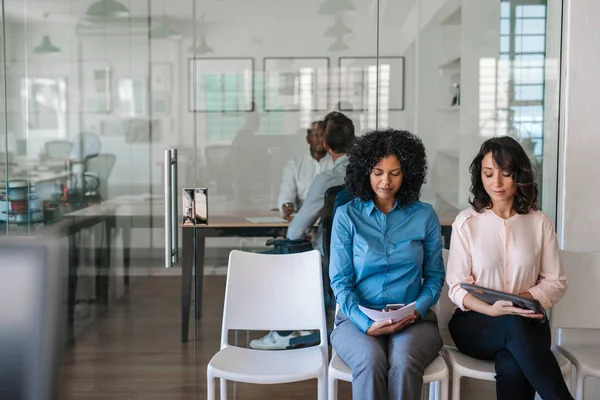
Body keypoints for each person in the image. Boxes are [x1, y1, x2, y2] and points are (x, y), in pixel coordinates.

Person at [446, 136, 573, 400]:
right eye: (488, 174)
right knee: (514, 327)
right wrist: (491, 309)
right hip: (476, 324)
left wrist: (520, 302)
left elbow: (556, 281)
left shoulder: (539, 222)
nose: (497, 183)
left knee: (512, 364)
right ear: (480, 176)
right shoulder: (466, 222)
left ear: (519, 175)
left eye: (506, 174)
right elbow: (457, 286)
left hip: (527, 321)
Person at [329, 129, 445, 400]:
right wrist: (364, 322)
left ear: (408, 174)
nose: (385, 181)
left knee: (404, 361)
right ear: (365, 172)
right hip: (356, 319)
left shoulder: (424, 215)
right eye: (378, 172)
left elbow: (435, 276)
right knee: (370, 361)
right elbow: (340, 282)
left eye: (395, 172)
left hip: (414, 319)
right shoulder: (347, 217)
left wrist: (416, 311)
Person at [250, 111, 356, 350]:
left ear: (326, 145)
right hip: (363, 255)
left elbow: (295, 233)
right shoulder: (373, 174)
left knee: (270, 260)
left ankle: (284, 332)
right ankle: (303, 323)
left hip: (329, 257)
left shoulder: (328, 179)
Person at [277, 121, 333, 217]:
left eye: (323, 135)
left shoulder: (337, 162)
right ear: (308, 139)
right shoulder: (294, 164)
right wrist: (286, 206)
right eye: (316, 135)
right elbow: (286, 196)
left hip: (331, 218)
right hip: (303, 220)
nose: (320, 139)